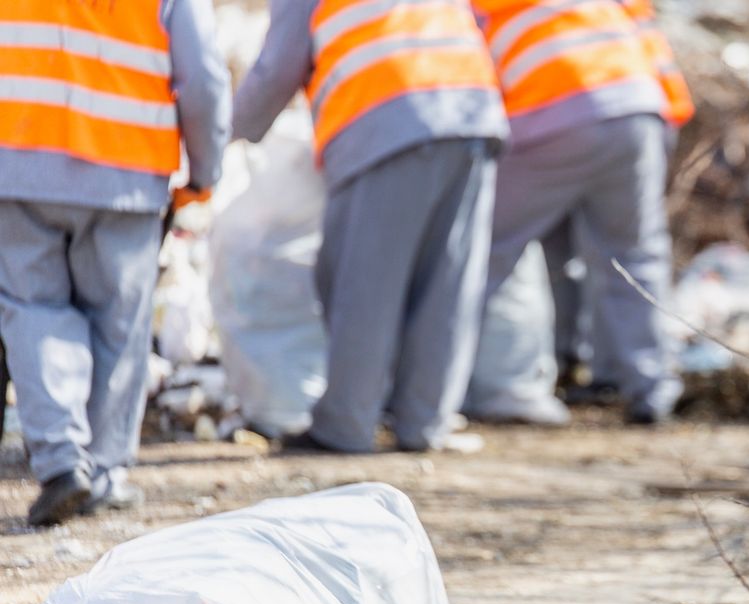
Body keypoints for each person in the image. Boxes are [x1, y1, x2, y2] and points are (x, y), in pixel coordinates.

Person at [233, 0, 508, 453]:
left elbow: (277, 71)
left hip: (388, 113)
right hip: (473, 109)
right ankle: (424, 421)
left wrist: (225, 131)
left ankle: (344, 424)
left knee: (364, 282)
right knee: (446, 280)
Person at [0, 0, 230, 527]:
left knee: (32, 310)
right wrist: (205, 169)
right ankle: (101, 472)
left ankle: (62, 463)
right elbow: (204, 78)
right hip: (125, 171)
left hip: (16, 162)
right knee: (117, 323)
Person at [471, 0, 687, 425]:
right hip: (639, 116)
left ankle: (453, 387)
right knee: (634, 255)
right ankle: (650, 387)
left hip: (549, 121)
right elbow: (664, 74)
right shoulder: (610, 7)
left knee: (485, 252)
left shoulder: (475, 9)